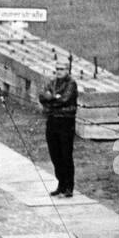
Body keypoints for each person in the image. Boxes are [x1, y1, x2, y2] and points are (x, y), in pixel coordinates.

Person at [39, 57, 78, 197]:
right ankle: (60, 183)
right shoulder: (52, 82)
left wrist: (52, 99)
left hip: (66, 121)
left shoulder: (71, 83)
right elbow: (42, 96)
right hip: (52, 120)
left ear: (68, 70)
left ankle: (69, 186)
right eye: (57, 69)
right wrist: (53, 98)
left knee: (66, 154)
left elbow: (65, 99)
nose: (59, 72)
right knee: (55, 154)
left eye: (62, 69)